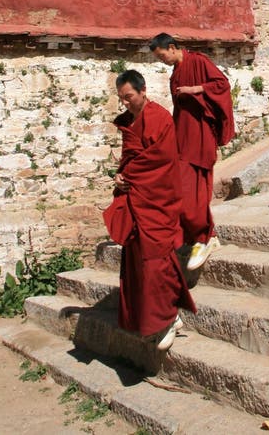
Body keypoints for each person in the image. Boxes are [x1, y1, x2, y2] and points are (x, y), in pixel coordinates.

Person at [104, 69, 196, 350]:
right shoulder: (131, 123)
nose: (125, 103)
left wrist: (130, 176)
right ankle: (163, 317)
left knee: (156, 262)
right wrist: (120, 177)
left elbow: (160, 162)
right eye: (121, 99)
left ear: (143, 91)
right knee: (138, 263)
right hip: (137, 201)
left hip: (159, 200)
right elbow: (131, 159)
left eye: (129, 97)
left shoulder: (160, 119)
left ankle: (166, 318)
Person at [149, 33, 235, 270]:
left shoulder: (198, 61)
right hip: (182, 136)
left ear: (173, 47)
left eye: (162, 55)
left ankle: (204, 238)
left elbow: (222, 84)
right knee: (181, 188)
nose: (162, 61)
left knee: (192, 190)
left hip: (200, 136)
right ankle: (201, 236)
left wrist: (196, 89)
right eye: (159, 58)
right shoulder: (174, 74)